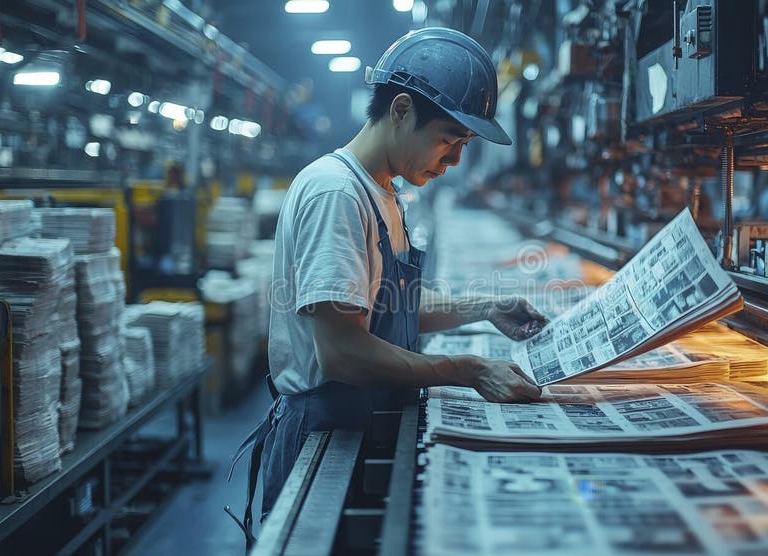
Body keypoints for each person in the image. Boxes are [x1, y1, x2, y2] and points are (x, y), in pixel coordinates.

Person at [229, 27, 549, 545]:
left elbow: (387, 306)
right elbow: (343, 353)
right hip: (324, 434)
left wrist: (486, 305)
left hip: (359, 416)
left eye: (463, 144)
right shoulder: (337, 194)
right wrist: (466, 369)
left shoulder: (381, 190)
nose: (455, 160)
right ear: (401, 110)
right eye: (449, 139)